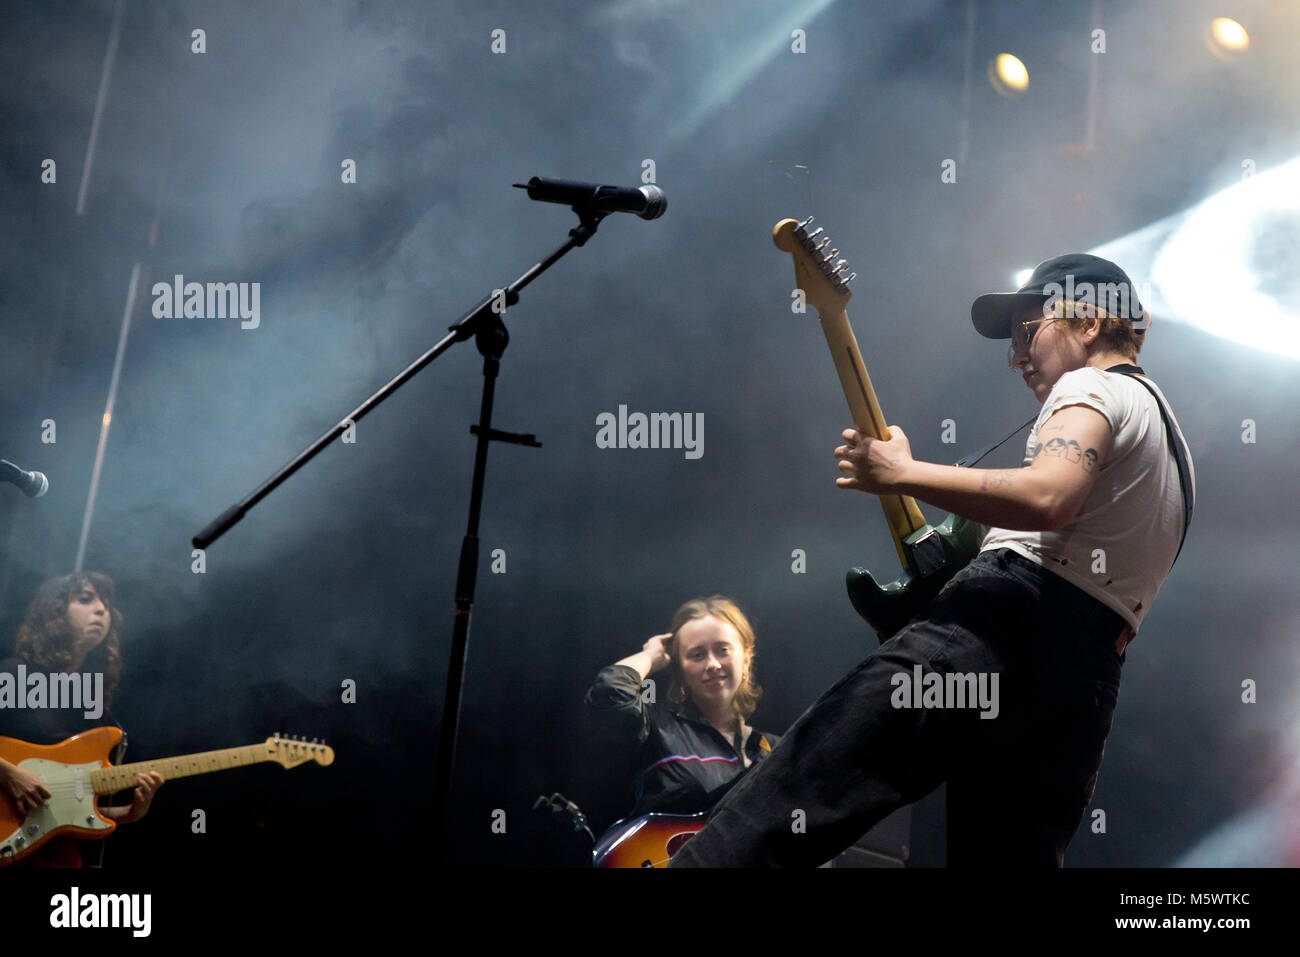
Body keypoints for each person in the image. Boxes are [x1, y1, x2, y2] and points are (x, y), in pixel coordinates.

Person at [669, 253, 1194, 867]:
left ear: (1088, 323)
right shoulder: (1174, 449)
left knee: (806, 782)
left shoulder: (1091, 385)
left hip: (1001, 624)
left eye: (1030, 331)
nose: (1018, 356)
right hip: (1083, 684)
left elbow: (1050, 496)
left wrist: (904, 472)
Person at [0, 572, 164, 866]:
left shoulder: (95, 703)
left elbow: (67, 810)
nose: (102, 609)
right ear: (54, 614)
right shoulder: (13, 675)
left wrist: (128, 814)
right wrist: (9, 774)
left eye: (106, 603)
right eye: (86, 599)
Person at [585, 596, 781, 823]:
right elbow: (610, 692)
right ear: (679, 671)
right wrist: (651, 656)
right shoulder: (656, 731)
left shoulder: (775, 749)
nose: (712, 664)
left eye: (722, 650)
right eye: (697, 655)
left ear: (746, 659)